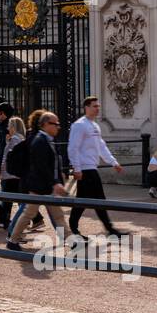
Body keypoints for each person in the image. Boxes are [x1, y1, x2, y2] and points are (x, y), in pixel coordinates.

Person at [5, 111, 72, 250]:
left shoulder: (47, 139)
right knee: (29, 214)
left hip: (46, 186)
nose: (58, 127)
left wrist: (58, 179)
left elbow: (52, 164)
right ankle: (13, 240)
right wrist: (55, 183)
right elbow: (41, 166)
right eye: (55, 124)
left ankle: (71, 240)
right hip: (40, 186)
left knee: (58, 215)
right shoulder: (40, 141)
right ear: (46, 124)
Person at [67, 96, 125, 238]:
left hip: (92, 168)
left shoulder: (95, 126)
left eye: (98, 106)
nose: (97, 108)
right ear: (86, 107)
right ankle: (108, 230)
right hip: (85, 169)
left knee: (86, 200)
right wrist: (77, 168)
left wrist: (113, 162)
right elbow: (73, 148)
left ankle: (75, 228)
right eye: (94, 106)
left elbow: (101, 147)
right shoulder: (79, 125)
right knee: (94, 200)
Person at [0, 114, 28, 224]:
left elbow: (8, 157)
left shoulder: (14, 139)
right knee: (15, 199)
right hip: (14, 174)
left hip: (9, 174)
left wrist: (2, 171)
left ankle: (6, 221)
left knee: (7, 200)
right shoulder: (20, 138)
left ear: (14, 127)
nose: (8, 128)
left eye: (9, 126)